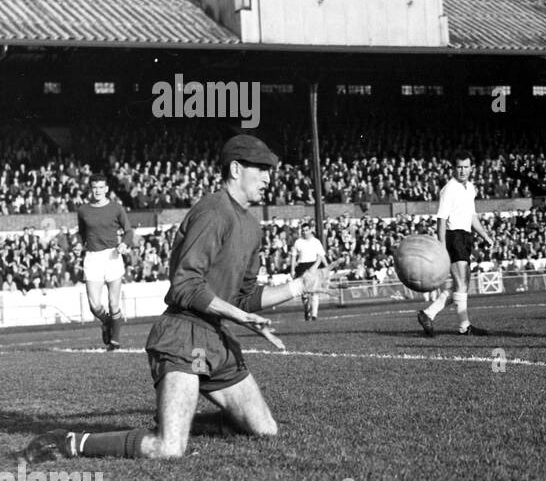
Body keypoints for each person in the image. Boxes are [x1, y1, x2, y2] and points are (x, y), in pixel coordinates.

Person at [21, 135, 332, 463]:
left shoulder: (253, 228)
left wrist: (299, 286)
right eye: (262, 169)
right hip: (184, 338)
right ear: (236, 169)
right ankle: (71, 442)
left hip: (218, 343)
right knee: (168, 448)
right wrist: (239, 317)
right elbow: (185, 286)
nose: (270, 178)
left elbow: (245, 297)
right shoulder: (213, 212)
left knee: (265, 429)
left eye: (271, 171)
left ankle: (182, 423)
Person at [417, 150, 495, 336]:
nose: (462, 171)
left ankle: (428, 313)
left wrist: (484, 234)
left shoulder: (470, 188)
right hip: (453, 236)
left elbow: (472, 215)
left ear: (471, 168)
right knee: (461, 282)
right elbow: (441, 219)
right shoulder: (449, 189)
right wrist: (442, 248)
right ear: (454, 168)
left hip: (465, 236)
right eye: (459, 167)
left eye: (466, 167)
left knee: (463, 283)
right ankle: (464, 326)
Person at [76, 175, 134, 349]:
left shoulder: (116, 208)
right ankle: (108, 323)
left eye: (101, 187)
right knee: (94, 306)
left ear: (106, 188)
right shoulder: (83, 210)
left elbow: (129, 231)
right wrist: (78, 245)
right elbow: (81, 233)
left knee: (113, 302)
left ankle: (115, 341)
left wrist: (124, 244)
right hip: (92, 257)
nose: (97, 190)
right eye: (94, 187)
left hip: (112, 256)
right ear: (90, 189)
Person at [289, 221, 328, 320]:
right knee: (304, 293)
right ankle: (307, 310)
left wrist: (327, 266)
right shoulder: (298, 242)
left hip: (313, 266)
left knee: (315, 292)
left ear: (310, 230)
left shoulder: (316, 242)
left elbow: (321, 255)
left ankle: (314, 315)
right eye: (303, 231)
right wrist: (292, 270)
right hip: (302, 266)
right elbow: (293, 257)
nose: (305, 232)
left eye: (307, 230)